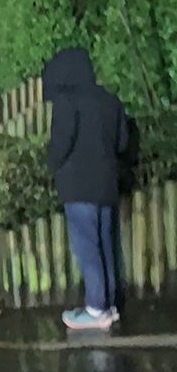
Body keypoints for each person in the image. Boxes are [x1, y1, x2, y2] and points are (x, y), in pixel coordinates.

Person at [45, 48, 130, 331]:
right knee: (106, 245)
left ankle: (95, 309)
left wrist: (51, 164)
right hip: (106, 186)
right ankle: (109, 305)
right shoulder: (111, 101)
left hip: (78, 187)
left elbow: (61, 144)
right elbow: (121, 144)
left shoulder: (67, 101)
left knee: (86, 246)